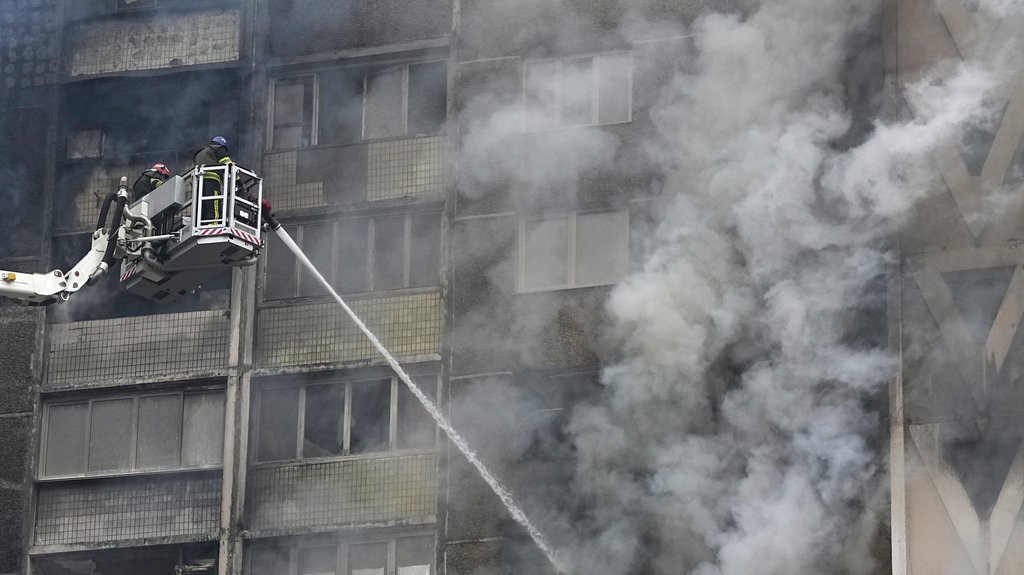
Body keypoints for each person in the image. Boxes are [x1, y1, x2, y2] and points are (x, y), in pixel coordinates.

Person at [192, 136, 233, 224]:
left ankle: (202, 223)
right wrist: (239, 182)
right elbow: (229, 165)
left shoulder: (199, 154)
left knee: (202, 205)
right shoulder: (218, 148)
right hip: (212, 181)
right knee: (214, 203)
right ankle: (214, 223)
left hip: (199, 182)